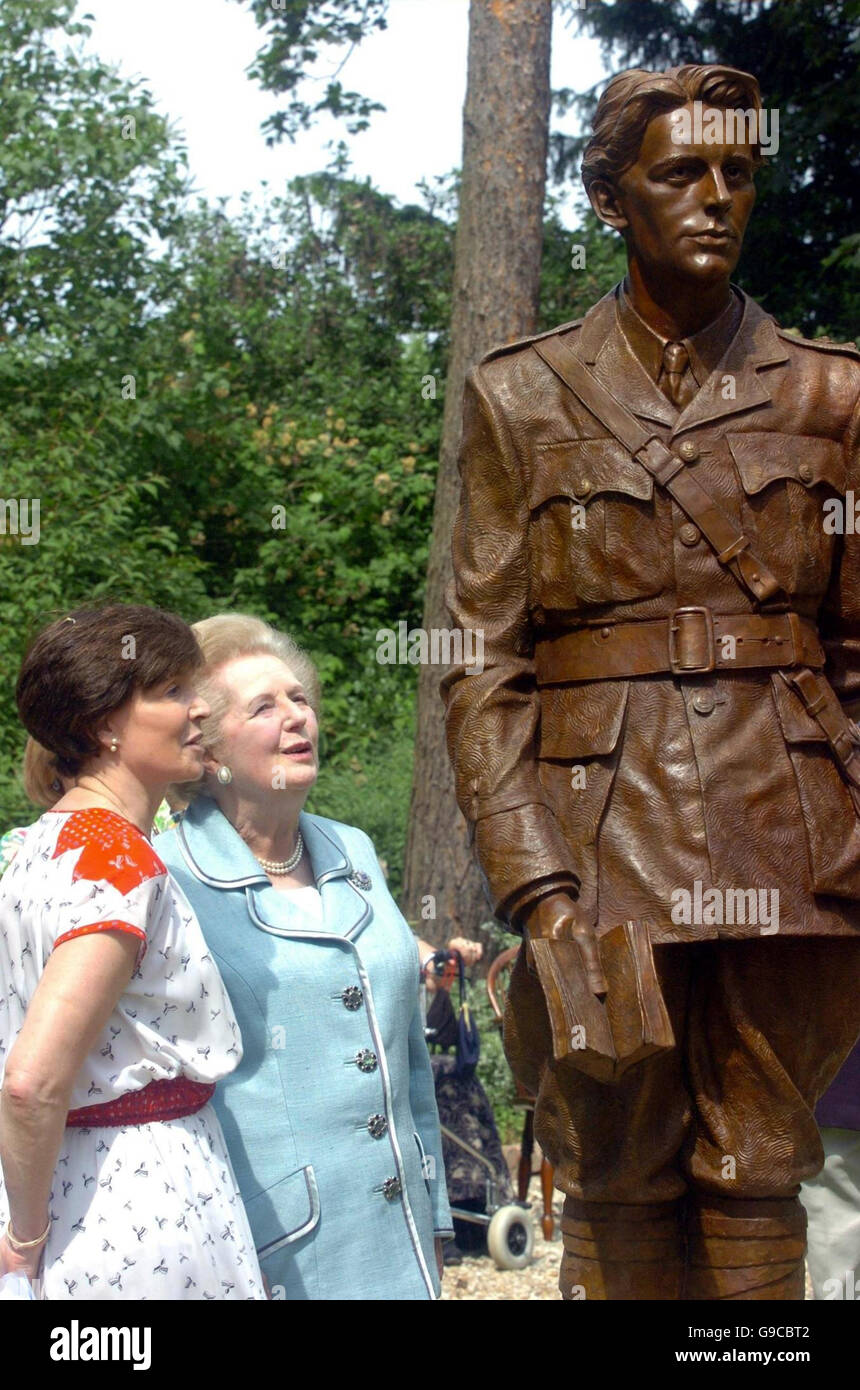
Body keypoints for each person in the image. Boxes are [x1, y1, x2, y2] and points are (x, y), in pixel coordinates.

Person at [442, 63, 860, 1300]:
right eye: (680, 172)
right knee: (617, 1177)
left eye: (737, 172)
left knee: (759, 1168)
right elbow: (480, 656)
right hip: (597, 845)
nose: (715, 197)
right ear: (611, 197)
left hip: (790, 844)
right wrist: (532, 882)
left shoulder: (837, 393)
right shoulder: (517, 394)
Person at [156, 613, 451, 1300]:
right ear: (207, 751)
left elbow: (407, 1050)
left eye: (300, 699)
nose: (297, 718)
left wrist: (434, 1213)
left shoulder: (354, 850)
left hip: (400, 1237)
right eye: (264, 706)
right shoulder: (167, 880)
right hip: (268, 1253)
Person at [0, 605, 265, 1300]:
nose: (198, 710)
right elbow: (30, 1081)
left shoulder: (32, 849)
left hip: (69, 1185)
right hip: (139, 1199)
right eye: (173, 691)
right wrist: (23, 1241)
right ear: (104, 724)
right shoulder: (117, 859)